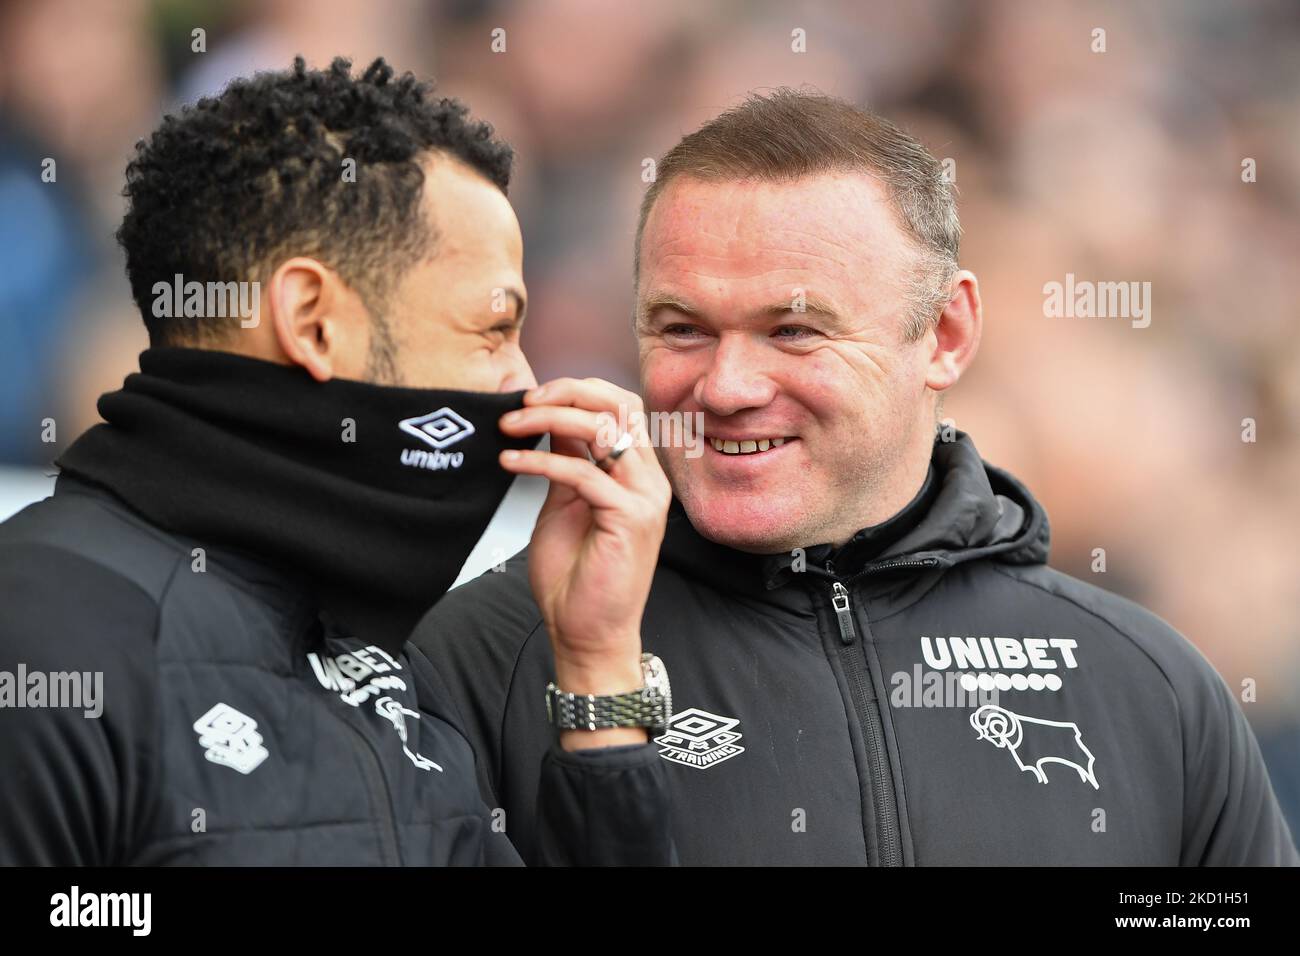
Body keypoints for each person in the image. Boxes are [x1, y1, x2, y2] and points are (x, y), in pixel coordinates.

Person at [412, 90, 1299, 865]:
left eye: (794, 332)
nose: (725, 387)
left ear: (945, 335)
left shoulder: (1150, 687)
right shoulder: (478, 658)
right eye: (681, 327)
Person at [0, 57, 674, 866]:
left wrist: (599, 669)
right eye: (493, 328)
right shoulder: (43, 628)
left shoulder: (389, 661)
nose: (525, 385)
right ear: (313, 322)